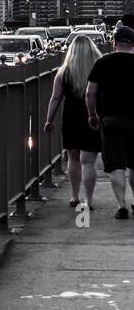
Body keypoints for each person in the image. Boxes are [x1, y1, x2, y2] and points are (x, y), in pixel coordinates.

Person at [45, 35, 102, 209]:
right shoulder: (98, 70)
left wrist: (49, 120)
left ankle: (75, 196)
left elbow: (55, 98)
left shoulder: (64, 72)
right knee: (88, 161)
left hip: (70, 118)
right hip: (92, 117)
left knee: (73, 159)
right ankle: (89, 200)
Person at [86, 23, 134, 218]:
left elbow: (90, 93)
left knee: (116, 164)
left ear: (114, 42)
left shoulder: (103, 63)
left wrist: (92, 114)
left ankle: (122, 206)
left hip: (111, 119)